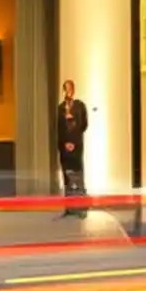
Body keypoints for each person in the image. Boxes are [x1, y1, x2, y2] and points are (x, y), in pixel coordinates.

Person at [56, 79, 89, 218]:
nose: (67, 92)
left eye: (70, 89)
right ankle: (69, 207)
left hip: (77, 145)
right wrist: (65, 143)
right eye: (65, 89)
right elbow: (59, 128)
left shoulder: (80, 106)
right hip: (64, 147)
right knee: (67, 176)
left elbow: (84, 125)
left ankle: (81, 207)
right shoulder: (60, 108)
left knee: (78, 174)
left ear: (73, 90)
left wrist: (74, 141)